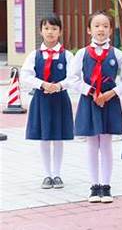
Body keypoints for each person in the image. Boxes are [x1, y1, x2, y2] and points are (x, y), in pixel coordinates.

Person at [68, 10, 122, 203]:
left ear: (111, 29)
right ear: (89, 30)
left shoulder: (116, 54)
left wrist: (112, 93)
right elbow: (73, 79)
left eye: (105, 26)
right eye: (97, 25)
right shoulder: (82, 53)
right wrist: (91, 91)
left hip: (109, 101)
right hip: (90, 101)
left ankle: (106, 185)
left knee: (107, 144)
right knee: (92, 144)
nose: (101, 29)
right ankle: (94, 186)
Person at [21, 14, 75, 189]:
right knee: (44, 137)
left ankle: (57, 174)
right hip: (41, 100)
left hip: (60, 99)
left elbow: (74, 77)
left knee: (58, 137)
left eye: (54, 28)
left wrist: (59, 86)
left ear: (60, 31)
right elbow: (25, 76)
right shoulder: (34, 55)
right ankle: (47, 174)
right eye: (46, 28)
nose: (50, 32)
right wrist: (42, 84)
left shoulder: (67, 55)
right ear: (40, 31)